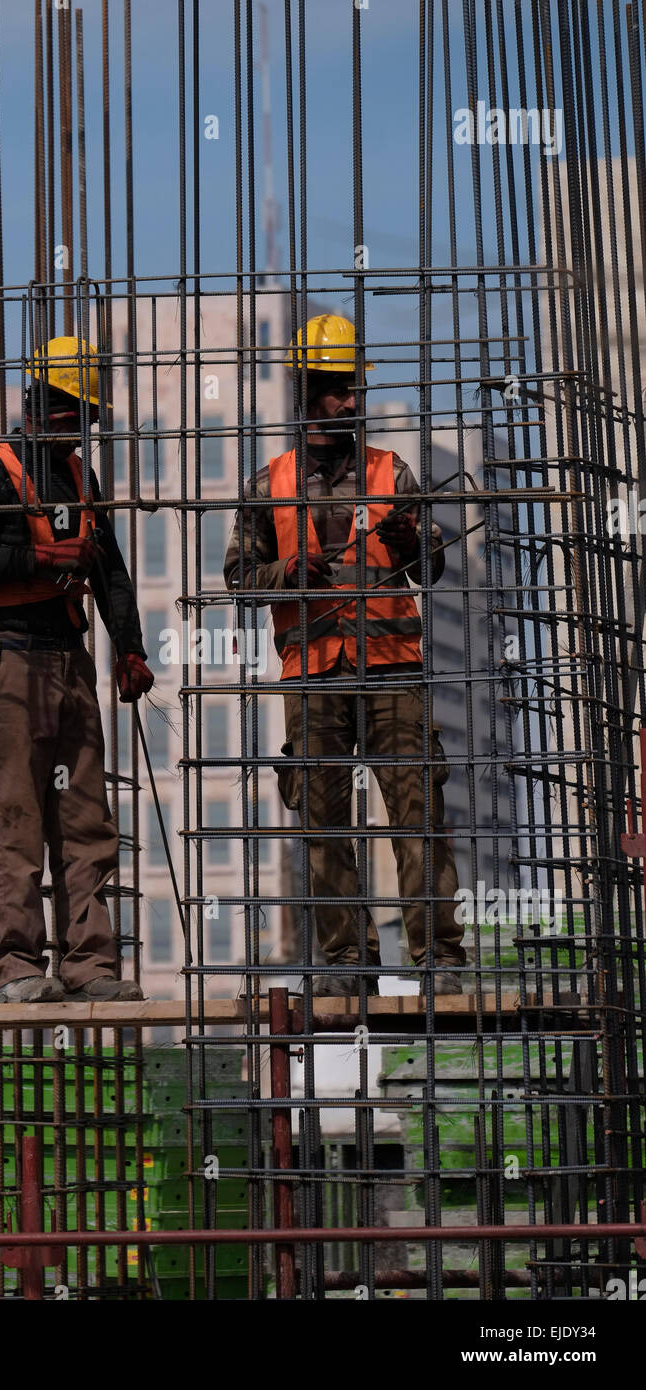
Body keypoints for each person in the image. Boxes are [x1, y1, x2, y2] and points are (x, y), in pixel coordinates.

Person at [223, 314, 466, 996]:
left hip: (393, 666)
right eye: (335, 388)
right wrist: (288, 576)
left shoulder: (394, 471)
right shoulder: (267, 484)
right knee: (325, 822)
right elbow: (240, 578)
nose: (351, 401)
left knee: (417, 815)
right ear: (306, 392)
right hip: (314, 672)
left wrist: (413, 532)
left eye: (354, 388)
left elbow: (434, 569)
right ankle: (346, 962)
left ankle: (438, 959)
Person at [0, 335, 154, 1003]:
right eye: (76, 411)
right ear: (47, 403)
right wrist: (39, 561)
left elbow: (110, 573)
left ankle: (91, 966)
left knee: (87, 821)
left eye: (87, 415)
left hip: (71, 662)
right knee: (18, 819)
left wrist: (130, 649)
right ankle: (18, 965)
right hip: (11, 664)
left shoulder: (79, 476)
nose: (83, 426)